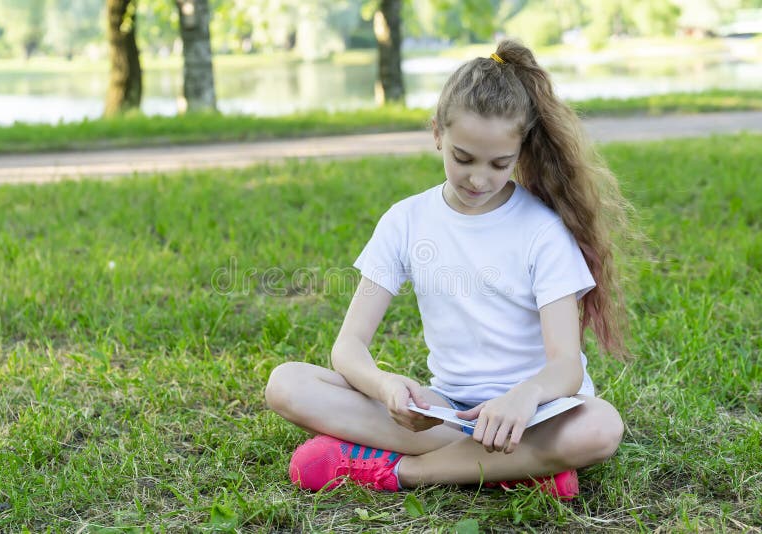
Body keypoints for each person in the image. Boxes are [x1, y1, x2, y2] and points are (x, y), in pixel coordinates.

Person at [265, 39, 631, 498]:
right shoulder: (406, 220)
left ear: (521, 150)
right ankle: (515, 466)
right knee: (287, 384)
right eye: (463, 158)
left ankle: (405, 472)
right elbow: (349, 347)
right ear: (437, 132)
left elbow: (564, 369)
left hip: (535, 413)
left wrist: (524, 396)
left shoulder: (541, 230)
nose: (479, 179)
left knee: (599, 425)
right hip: (450, 410)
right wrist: (383, 386)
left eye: (500, 163)